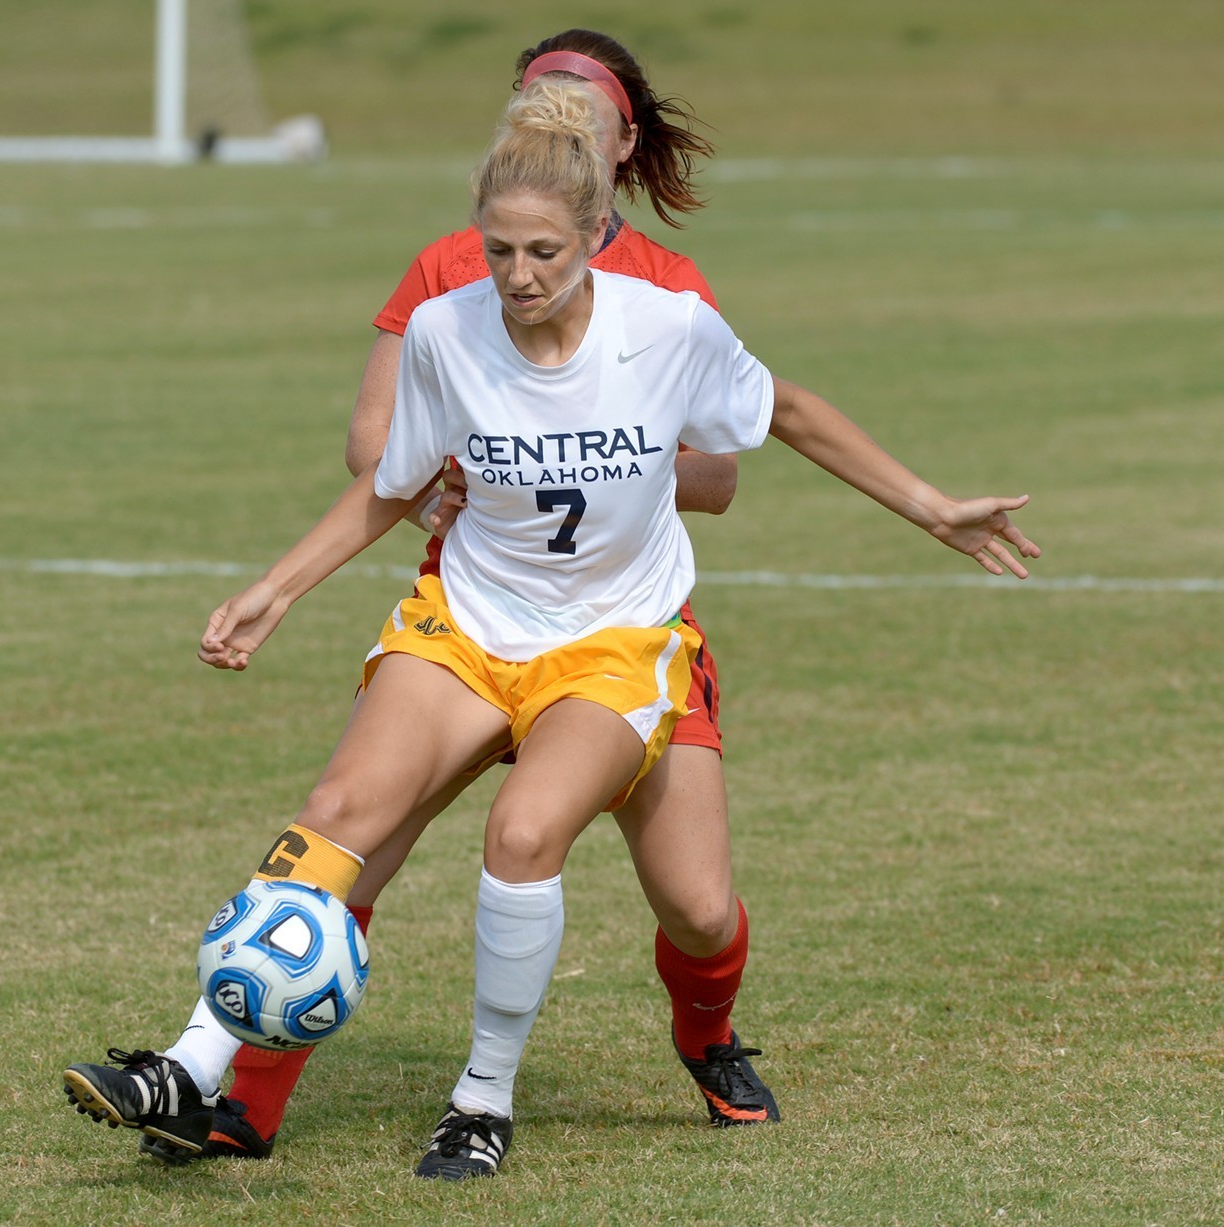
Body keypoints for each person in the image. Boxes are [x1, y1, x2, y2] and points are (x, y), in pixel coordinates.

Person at [61, 76, 1039, 1181]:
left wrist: (933, 508)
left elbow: (792, 414)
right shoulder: (446, 330)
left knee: (572, 855)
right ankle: (193, 1064)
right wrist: (275, 590)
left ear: (592, 237)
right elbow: (392, 481)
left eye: (543, 253)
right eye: (498, 252)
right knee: (338, 815)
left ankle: (494, 1090)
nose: (518, 276)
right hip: (467, 627)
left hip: (613, 643)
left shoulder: (664, 326)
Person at [160, 29, 775, 1169]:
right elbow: (377, 454)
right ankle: (232, 1094)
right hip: (474, 615)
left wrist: (584, 455)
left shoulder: (667, 294)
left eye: (581, 109)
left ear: (620, 146)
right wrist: (429, 489)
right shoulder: (458, 268)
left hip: (621, 631)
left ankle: (708, 1035)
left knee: (697, 906)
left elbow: (722, 473)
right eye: (535, 101)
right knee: (358, 829)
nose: (555, 121)